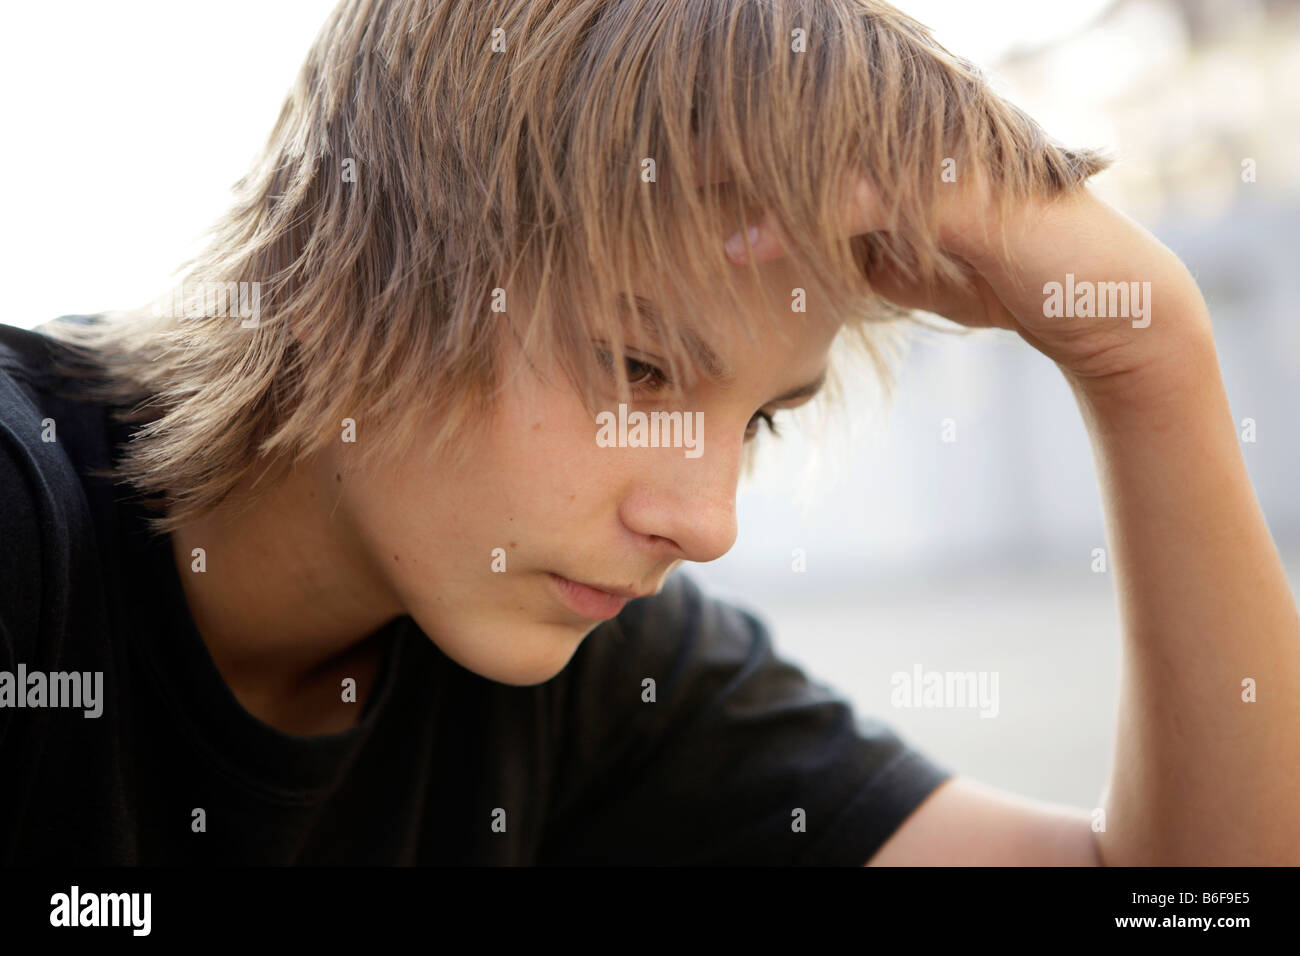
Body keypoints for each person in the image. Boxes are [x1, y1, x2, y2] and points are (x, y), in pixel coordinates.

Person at [1, 0, 1295, 865]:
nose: (709, 522)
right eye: (639, 365)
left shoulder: (598, 672)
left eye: (764, 424)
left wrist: (1149, 359)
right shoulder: (27, 526)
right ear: (358, 257)